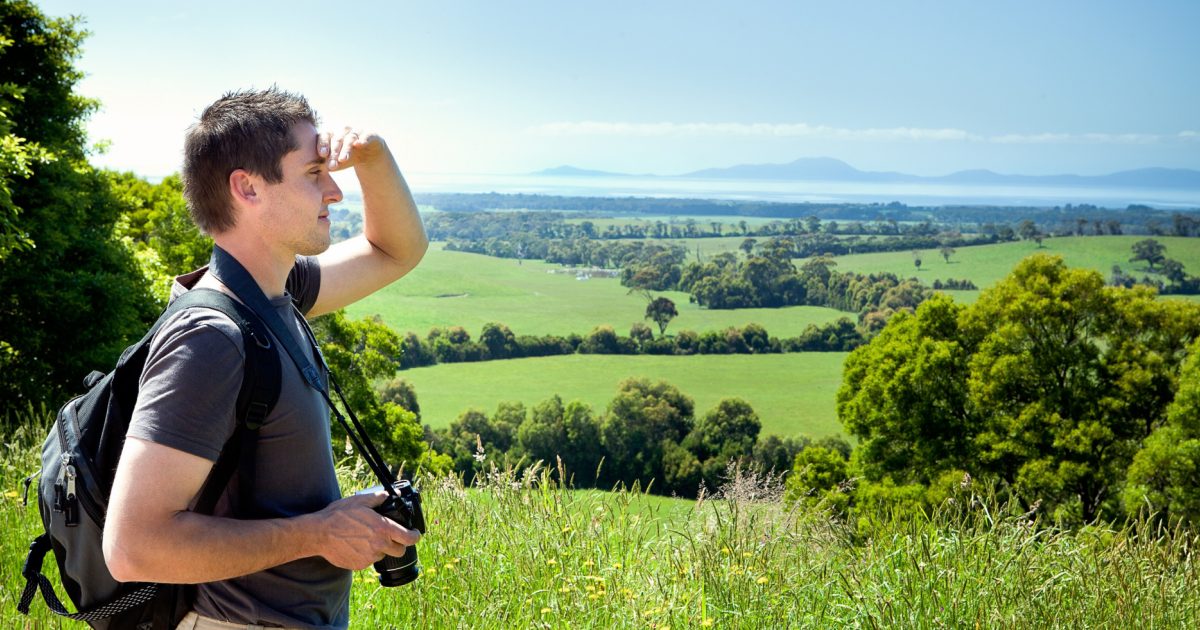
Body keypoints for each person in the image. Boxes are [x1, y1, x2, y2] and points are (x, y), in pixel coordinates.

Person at [101, 87, 427, 630]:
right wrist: (319, 533)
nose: (334, 191)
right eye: (313, 172)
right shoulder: (213, 337)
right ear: (247, 188)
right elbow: (134, 547)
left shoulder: (277, 294)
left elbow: (398, 249)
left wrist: (373, 155)